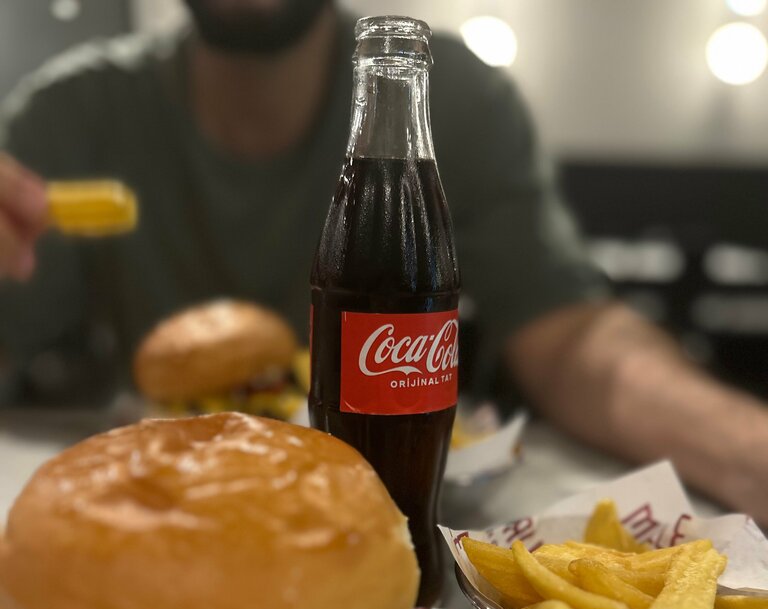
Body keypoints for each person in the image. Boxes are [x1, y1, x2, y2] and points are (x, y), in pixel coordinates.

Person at [0, 0, 767, 524]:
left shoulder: (458, 100)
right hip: (155, 515)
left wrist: (744, 452)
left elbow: (570, 335)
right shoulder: (67, 118)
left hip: (404, 522)